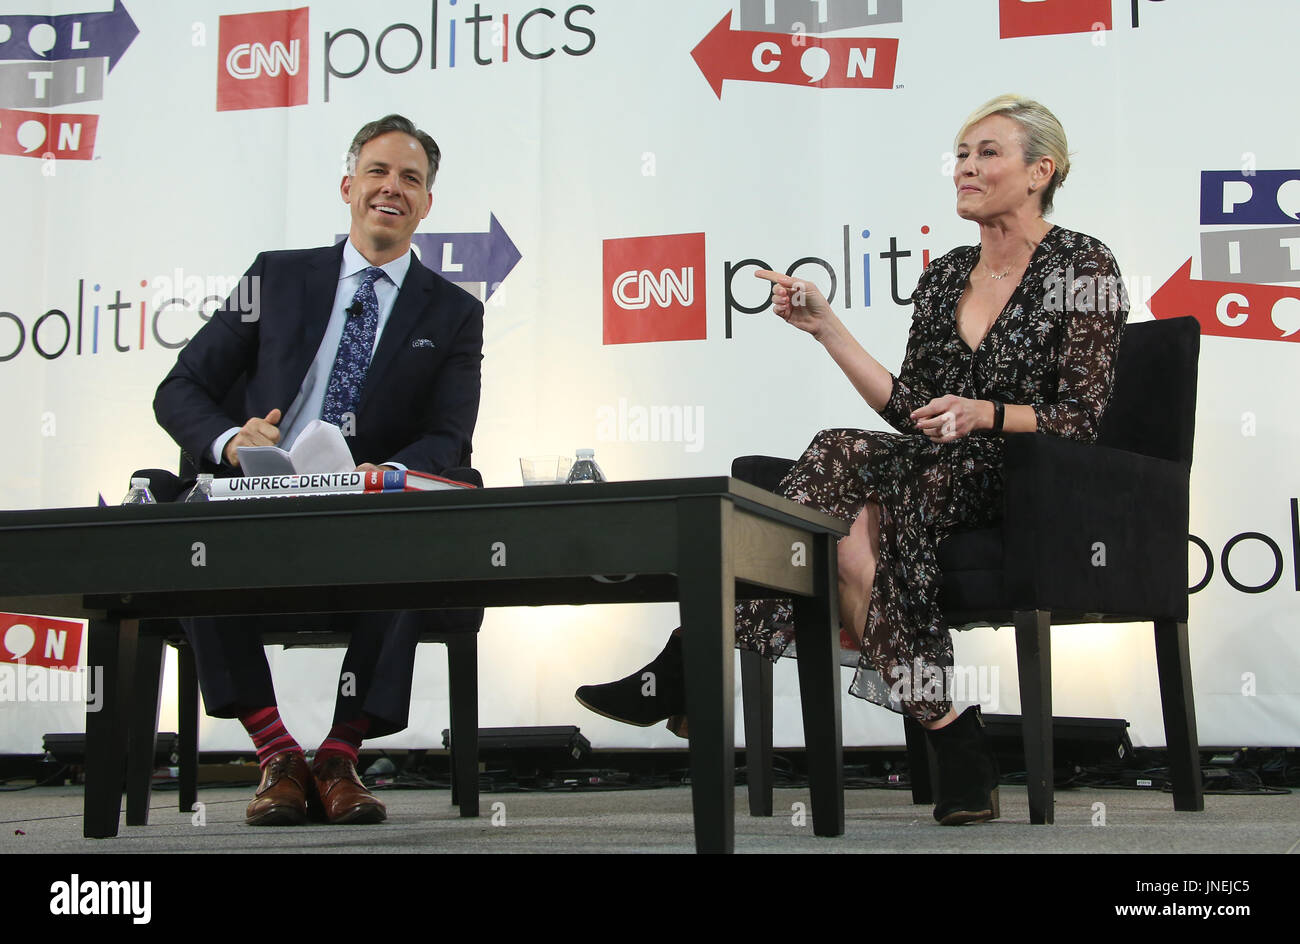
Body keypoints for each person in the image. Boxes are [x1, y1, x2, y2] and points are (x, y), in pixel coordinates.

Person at [575, 94, 1128, 825]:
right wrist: (826, 328)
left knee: (836, 460)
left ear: (1039, 172)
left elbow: (1081, 417)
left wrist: (983, 414)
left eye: (987, 153)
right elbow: (910, 412)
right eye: (960, 154)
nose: (965, 167)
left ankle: (685, 660)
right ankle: (955, 738)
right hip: (932, 472)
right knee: (851, 552)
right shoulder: (945, 277)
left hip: (1029, 478)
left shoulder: (1082, 262)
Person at [154, 115, 484, 826]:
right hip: (262, 499)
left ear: (427, 204)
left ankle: (339, 754)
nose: (391, 188)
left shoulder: (455, 312)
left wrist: (382, 472)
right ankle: (276, 753)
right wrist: (230, 442)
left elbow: (450, 439)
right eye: (378, 172)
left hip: (368, 508)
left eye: (411, 179)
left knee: (435, 504)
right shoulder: (276, 275)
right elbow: (177, 390)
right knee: (190, 514)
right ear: (348, 185)